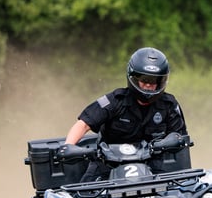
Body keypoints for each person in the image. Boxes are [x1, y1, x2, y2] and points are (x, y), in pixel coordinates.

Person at [61, 47, 187, 179]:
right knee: (84, 195)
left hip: (152, 164)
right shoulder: (115, 101)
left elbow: (179, 137)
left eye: (153, 81)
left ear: (161, 81)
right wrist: (68, 146)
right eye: (144, 79)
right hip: (107, 164)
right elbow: (83, 124)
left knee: (181, 190)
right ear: (133, 77)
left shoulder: (169, 105)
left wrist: (170, 142)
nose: (148, 85)